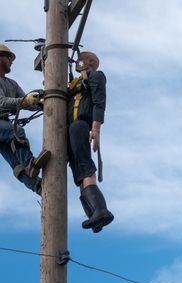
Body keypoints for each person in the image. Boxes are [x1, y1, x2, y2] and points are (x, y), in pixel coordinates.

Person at [0, 44, 50, 194]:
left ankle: (36, 186)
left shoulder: (12, 84)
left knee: (15, 162)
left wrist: (42, 105)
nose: (12, 61)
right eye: (9, 57)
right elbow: (0, 102)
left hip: (0, 125)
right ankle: (30, 164)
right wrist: (25, 101)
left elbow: (26, 102)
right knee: (17, 132)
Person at [67, 51, 114, 232]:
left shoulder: (95, 76)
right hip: (70, 130)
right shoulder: (74, 83)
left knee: (85, 167)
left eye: (82, 60)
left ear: (90, 62)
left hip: (80, 126)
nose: (78, 63)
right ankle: (94, 216)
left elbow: (99, 102)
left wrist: (95, 129)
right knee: (79, 173)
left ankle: (100, 210)